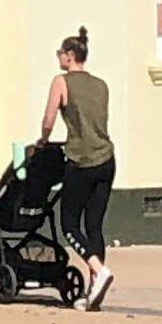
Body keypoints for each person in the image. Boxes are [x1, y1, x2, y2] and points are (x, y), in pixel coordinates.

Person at [39, 27, 115, 308]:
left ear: (70, 56)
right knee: (94, 224)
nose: (59, 57)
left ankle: (99, 270)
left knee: (69, 224)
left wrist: (43, 141)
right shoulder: (101, 85)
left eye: (61, 53)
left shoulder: (62, 81)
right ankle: (95, 289)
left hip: (81, 161)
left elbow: (49, 119)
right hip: (106, 159)